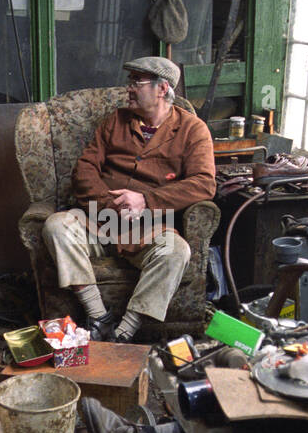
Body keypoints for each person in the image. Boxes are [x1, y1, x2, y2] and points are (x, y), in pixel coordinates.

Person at [41, 56, 216, 342]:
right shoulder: (116, 120)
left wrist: (146, 200)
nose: (129, 89)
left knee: (177, 252)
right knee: (55, 226)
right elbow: (84, 169)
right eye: (130, 81)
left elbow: (204, 184)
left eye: (137, 82)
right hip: (99, 220)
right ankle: (99, 317)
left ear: (162, 89)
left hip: (149, 229)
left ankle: (124, 332)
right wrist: (111, 206)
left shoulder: (192, 130)